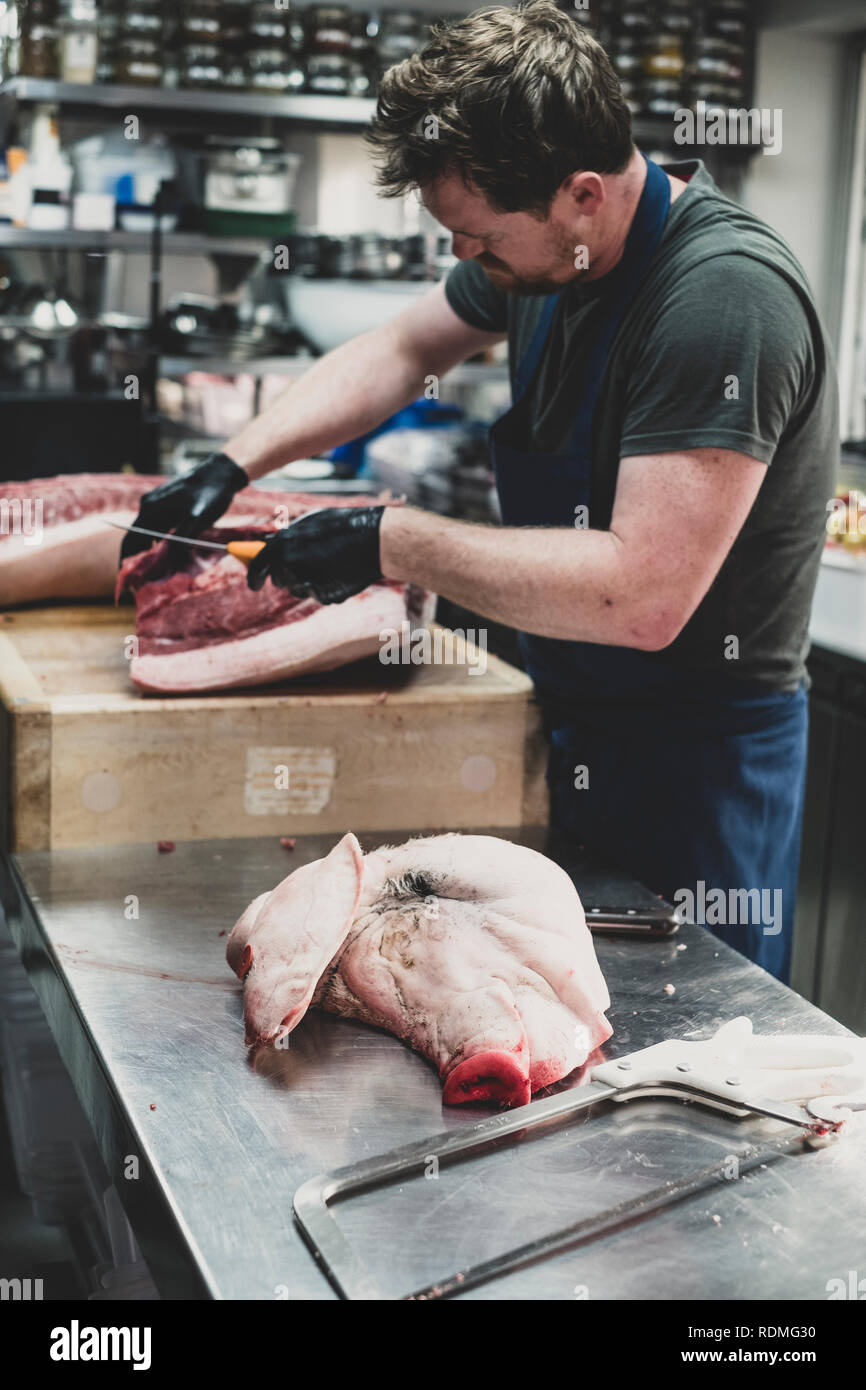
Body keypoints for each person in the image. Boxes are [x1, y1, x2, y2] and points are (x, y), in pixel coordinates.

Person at [123, 2, 838, 981]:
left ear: (581, 193)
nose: (466, 259)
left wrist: (391, 539)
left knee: (689, 1052)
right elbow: (405, 344)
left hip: (696, 767)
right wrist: (232, 462)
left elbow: (642, 594)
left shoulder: (722, 300)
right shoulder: (546, 261)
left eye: (479, 236)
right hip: (574, 713)